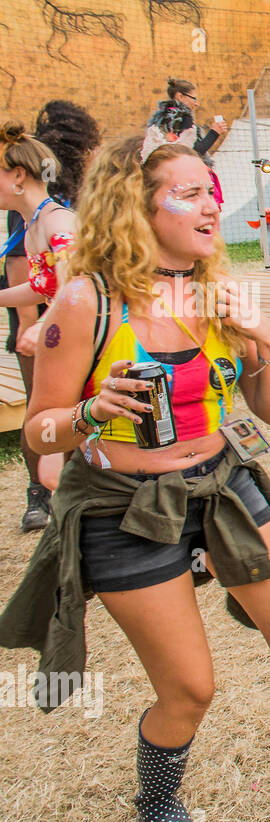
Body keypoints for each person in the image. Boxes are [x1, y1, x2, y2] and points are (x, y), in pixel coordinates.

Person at [0, 135, 270, 822]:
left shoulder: (217, 291)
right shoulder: (83, 299)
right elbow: (39, 426)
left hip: (223, 483)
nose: (211, 204)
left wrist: (260, 335)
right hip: (123, 507)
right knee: (190, 687)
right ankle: (157, 805)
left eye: (210, 190)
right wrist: (94, 412)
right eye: (189, 193)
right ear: (136, 205)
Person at [0, 123, 79, 531]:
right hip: (68, 342)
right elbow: (42, 286)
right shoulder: (32, 227)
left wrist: (44, 323)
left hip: (87, 345)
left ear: (17, 175)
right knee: (52, 452)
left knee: (55, 450)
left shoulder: (57, 222)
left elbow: (71, 283)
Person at [165, 78, 228, 159]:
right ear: (180, 97)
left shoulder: (165, 117)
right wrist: (214, 132)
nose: (196, 104)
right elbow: (193, 153)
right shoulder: (183, 118)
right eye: (194, 98)